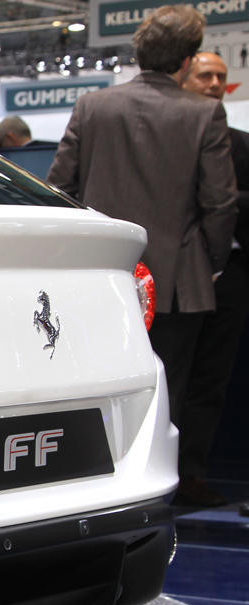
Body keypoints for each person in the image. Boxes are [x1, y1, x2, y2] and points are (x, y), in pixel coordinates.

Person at [46, 5, 237, 507]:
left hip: (101, 279)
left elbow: (60, 189)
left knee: (95, 385)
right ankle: (161, 487)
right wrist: (210, 265)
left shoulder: (93, 106)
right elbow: (219, 202)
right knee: (170, 391)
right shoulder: (203, 113)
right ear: (188, 58)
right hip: (178, 282)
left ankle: (96, 486)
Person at [176, 51, 249, 506]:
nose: (214, 83)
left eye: (221, 76)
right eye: (206, 75)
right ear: (185, 79)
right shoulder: (170, 137)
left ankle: (192, 474)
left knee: (210, 380)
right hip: (175, 270)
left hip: (232, 274)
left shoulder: (241, 144)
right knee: (171, 374)